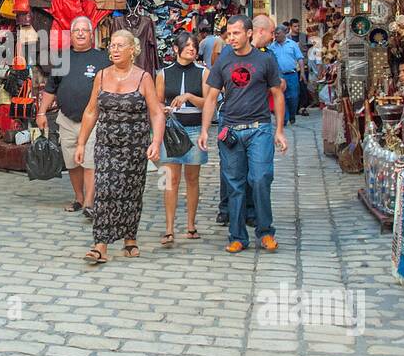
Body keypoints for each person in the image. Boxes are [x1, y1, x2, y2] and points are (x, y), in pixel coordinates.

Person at [199, 14, 288, 254]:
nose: (231, 38)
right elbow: (211, 97)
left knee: (260, 179)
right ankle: (237, 235)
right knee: (234, 185)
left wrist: (279, 130)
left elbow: (277, 94)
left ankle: (265, 231)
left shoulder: (264, 61)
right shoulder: (223, 61)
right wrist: (205, 129)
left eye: (236, 33)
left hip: (259, 128)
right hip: (231, 130)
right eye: (228, 33)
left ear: (249, 33)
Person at [75, 30, 165, 264]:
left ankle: (129, 237)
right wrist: (82, 142)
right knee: (104, 191)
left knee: (131, 192)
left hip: (135, 146)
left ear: (132, 50)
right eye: (112, 46)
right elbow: (91, 110)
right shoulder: (102, 76)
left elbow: (156, 113)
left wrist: (156, 141)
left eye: (119, 46)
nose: (114, 50)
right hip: (106, 144)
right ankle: (100, 245)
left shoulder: (144, 77)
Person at [38, 16, 108, 217]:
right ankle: (78, 198)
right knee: (72, 162)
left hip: (94, 120)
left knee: (90, 161)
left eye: (84, 30)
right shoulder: (62, 58)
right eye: (76, 30)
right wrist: (42, 112)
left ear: (91, 35)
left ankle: (89, 203)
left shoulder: (102, 59)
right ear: (71, 34)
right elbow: (51, 88)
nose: (80, 33)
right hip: (67, 119)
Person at [156, 31, 209, 246]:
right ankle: (169, 228)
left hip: (195, 128)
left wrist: (189, 97)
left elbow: (208, 103)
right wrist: (165, 109)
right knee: (170, 179)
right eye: (186, 45)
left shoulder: (203, 72)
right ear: (176, 49)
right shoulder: (164, 74)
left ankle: (190, 224)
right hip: (170, 131)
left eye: (194, 45)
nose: (191, 49)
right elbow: (156, 103)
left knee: (192, 178)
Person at [269, 24, 306, 125]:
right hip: (279, 76)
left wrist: (302, 72)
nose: (276, 36)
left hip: (292, 75)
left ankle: (292, 114)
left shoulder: (292, 44)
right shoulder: (271, 47)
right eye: (274, 34)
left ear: (284, 33)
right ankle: (284, 120)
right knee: (281, 97)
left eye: (278, 33)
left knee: (293, 97)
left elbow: (300, 58)